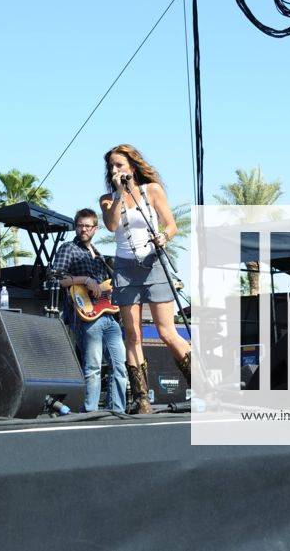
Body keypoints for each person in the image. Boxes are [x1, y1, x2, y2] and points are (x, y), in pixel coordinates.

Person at [100, 144, 190, 414]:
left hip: (154, 264)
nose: (115, 170)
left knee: (166, 331)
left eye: (119, 165)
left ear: (132, 165)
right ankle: (142, 398)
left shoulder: (152, 190)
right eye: (111, 167)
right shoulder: (107, 199)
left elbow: (171, 224)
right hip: (126, 269)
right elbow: (112, 225)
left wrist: (163, 236)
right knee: (133, 334)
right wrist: (118, 194)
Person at [51, 208, 127, 413]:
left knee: (119, 365)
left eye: (87, 226)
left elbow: (105, 287)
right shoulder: (68, 249)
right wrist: (84, 279)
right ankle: (90, 412)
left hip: (110, 317)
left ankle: (118, 411)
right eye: (80, 225)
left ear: (95, 228)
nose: (83, 229)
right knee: (92, 367)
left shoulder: (98, 254)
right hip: (87, 316)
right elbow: (56, 278)